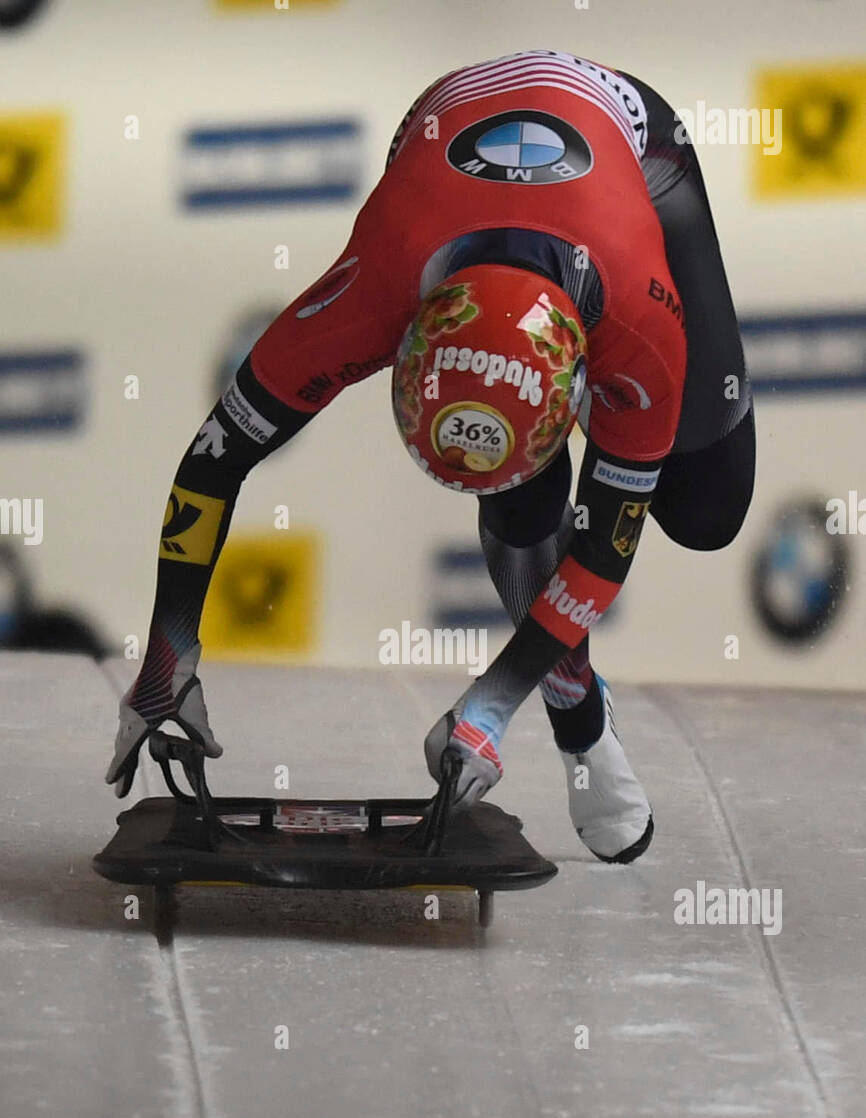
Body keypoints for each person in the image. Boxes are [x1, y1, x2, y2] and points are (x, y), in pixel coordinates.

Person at [107, 51, 754, 864]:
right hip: (443, 154)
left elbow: (603, 547)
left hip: (641, 160)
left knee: (707, 511)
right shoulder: (372, 287)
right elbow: (217, 456)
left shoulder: (642, 335)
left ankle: (576, 718)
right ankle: (577, 707)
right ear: (402, 344)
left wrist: (488, 707)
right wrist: (167, 656)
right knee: (523, 507)